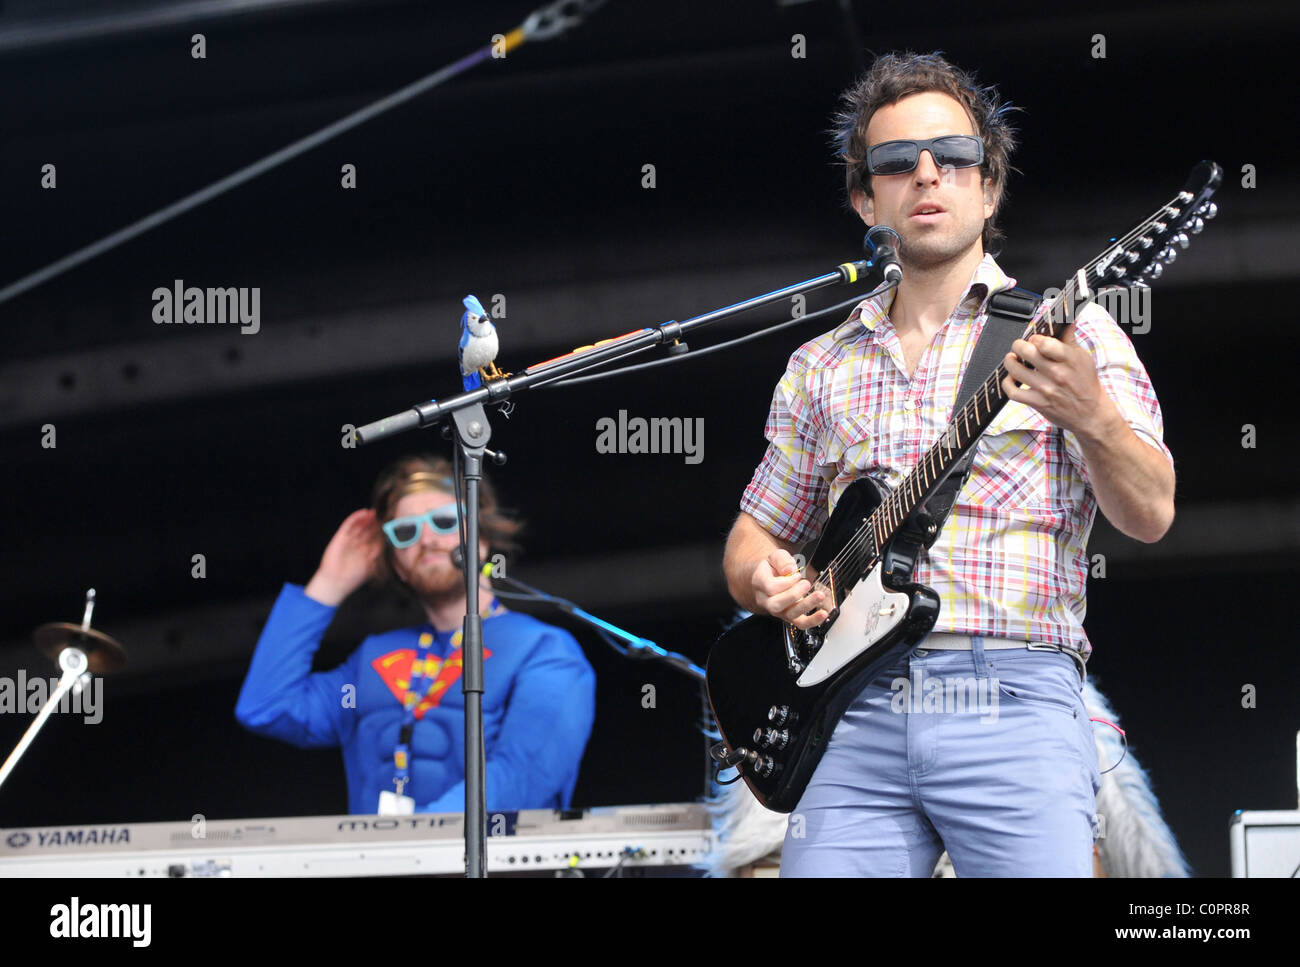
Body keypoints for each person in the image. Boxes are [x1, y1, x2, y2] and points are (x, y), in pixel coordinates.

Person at [721, 52, 1174, 877]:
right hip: (850, 712)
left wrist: (1094, 418)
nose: (927, 174)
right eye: (896, 163)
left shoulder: (1073, 334)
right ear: (866, 199)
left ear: (989, 186)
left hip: (1013, 696)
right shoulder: (818, 365)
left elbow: (1151, 513)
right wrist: (765, 581)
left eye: (954, 157)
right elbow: (752, 537)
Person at [236, 454, 596, 815]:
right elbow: (267, 707)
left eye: (443, 522)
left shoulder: (544, 650)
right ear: (397, 565)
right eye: (405, 531)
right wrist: (328, 585)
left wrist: (416, 841)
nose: (426, 539)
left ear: (481, 539)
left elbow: (523, 777)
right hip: (383, 868)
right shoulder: (373, 658)